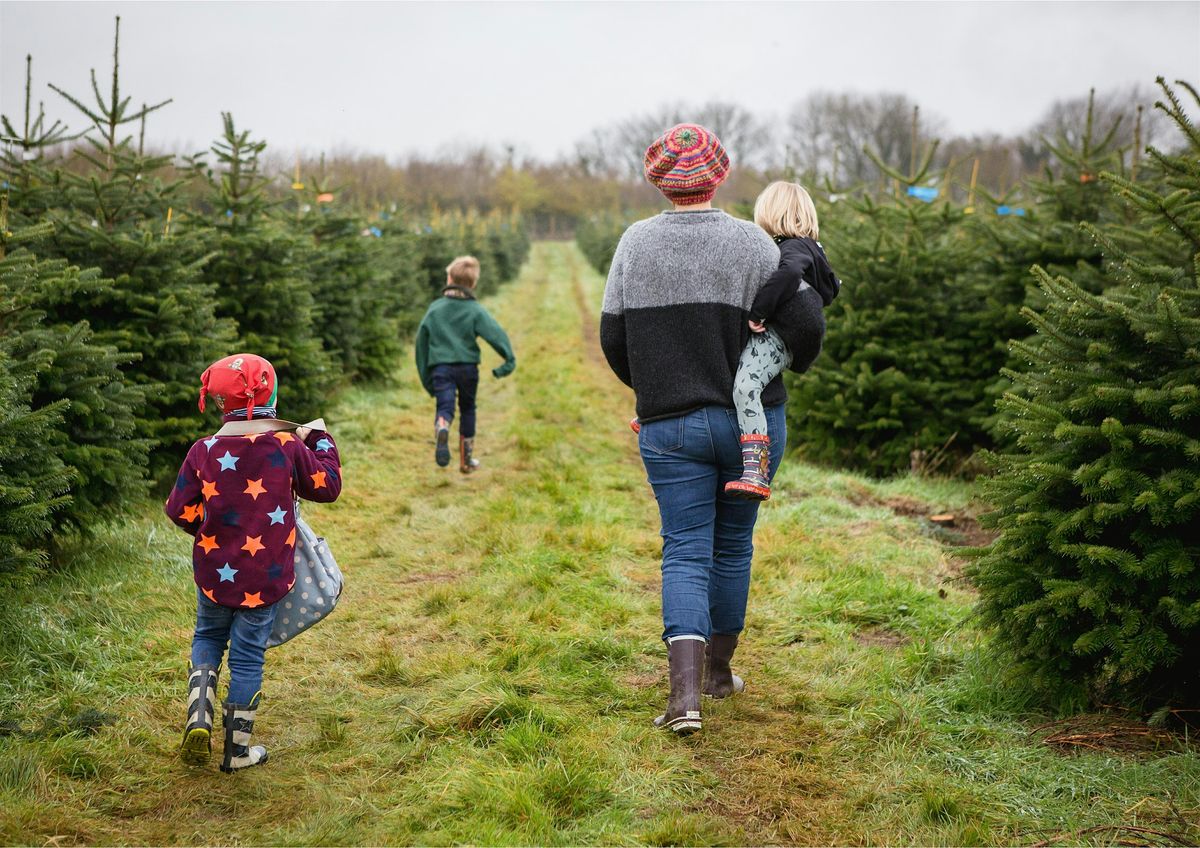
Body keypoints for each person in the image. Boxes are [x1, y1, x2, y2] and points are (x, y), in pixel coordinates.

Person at [600, 124, 826, 735]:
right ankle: (720, 674)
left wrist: (655, 390)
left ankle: (685, 699)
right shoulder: (753, 244)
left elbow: (613, 339)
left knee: (686, 548)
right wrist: (786, 363)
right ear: (718, 176)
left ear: (659, 182)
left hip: (669, 426)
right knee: (733, 545)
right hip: (752, 429)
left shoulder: (633, 245)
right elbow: (808, 322)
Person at [166, 353, 342, 772]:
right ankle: (238, 752)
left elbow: (178, 508)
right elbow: (328, 486)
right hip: (265, 575)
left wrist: (212, 531)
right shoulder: (285, 445)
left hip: (214, 570)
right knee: (247, 656)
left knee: (208, 636)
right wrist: (320, 440)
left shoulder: (203, 449)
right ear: (270, 393)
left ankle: (198, 719)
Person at [725, 182, 841, 500]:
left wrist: (758, 313)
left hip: (779, 337)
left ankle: (755, 471)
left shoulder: (792, 249)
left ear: (772, 213)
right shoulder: (810, 248)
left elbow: (789, 275)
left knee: (746, 387)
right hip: (785, 338)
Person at [414, 256, 516, 473]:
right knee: (468, 408)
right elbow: (495, 334)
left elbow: (420, 345)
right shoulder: (475, 310)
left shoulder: (435, 308)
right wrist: (508, 360)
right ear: (473, 284)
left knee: (445, 406)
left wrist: (427, 379)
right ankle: (466, 460)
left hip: (441, 368)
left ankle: (442, 425)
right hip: (468, 368)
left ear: (449, 278)